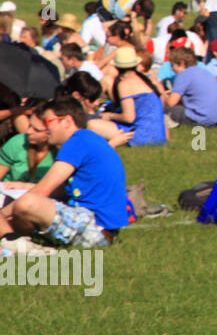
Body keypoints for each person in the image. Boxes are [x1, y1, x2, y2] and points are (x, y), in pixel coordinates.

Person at [0, 97, 129, 248]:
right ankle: (13, 240)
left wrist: (2, 214)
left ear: (67, 121)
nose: (46, 128)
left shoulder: (76, 142)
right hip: (101, 229)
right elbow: (59, 191)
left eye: (48, 121)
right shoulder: (87, 139)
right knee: (21, 211)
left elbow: (41, 192)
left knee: (27, 203)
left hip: (94, 227)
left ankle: (13, 241)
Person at [100, 49, 167, 146]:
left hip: (142, 136)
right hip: (159, 136)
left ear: (116, 67)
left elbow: (129, 118)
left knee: (92, 124)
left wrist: (109, 116)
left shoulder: (125, 83)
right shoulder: (144, 79)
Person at [162, 46, 217, 127]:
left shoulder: (183, 75)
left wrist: (162, 95)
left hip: (203, 118)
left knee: (167, 110)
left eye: (172, 65)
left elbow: (171, 103)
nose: (172, 69)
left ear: (182, 63)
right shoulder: (205, 72)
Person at [0, 106, 54, 182]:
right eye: (30, 125)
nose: (29, 131)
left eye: (36, 130)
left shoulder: (59, 153)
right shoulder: (19, 141)